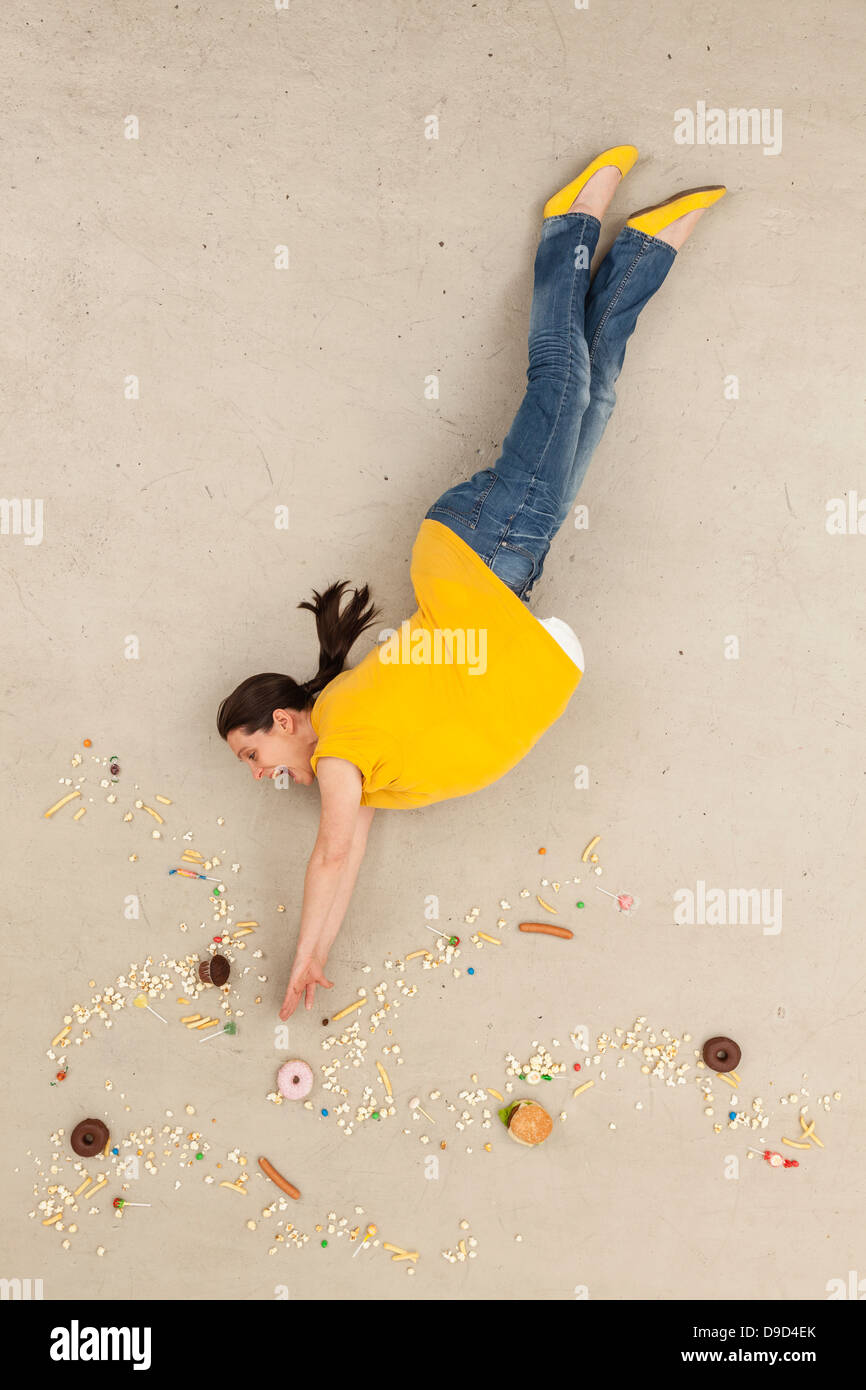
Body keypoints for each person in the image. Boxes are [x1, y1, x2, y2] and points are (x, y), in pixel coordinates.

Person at [216, 146, 726, 1019]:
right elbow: (351, 859)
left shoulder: (338, 753)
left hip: (477, 550)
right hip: (504, 572)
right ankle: (643, 253)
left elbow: (331, 860)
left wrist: (298, 955)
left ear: (286, 722)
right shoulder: (358, 769)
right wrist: (320, 955)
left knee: (561, 384)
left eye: (254, 753)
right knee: (593, 399)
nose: (264, 773)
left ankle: (570, 225)